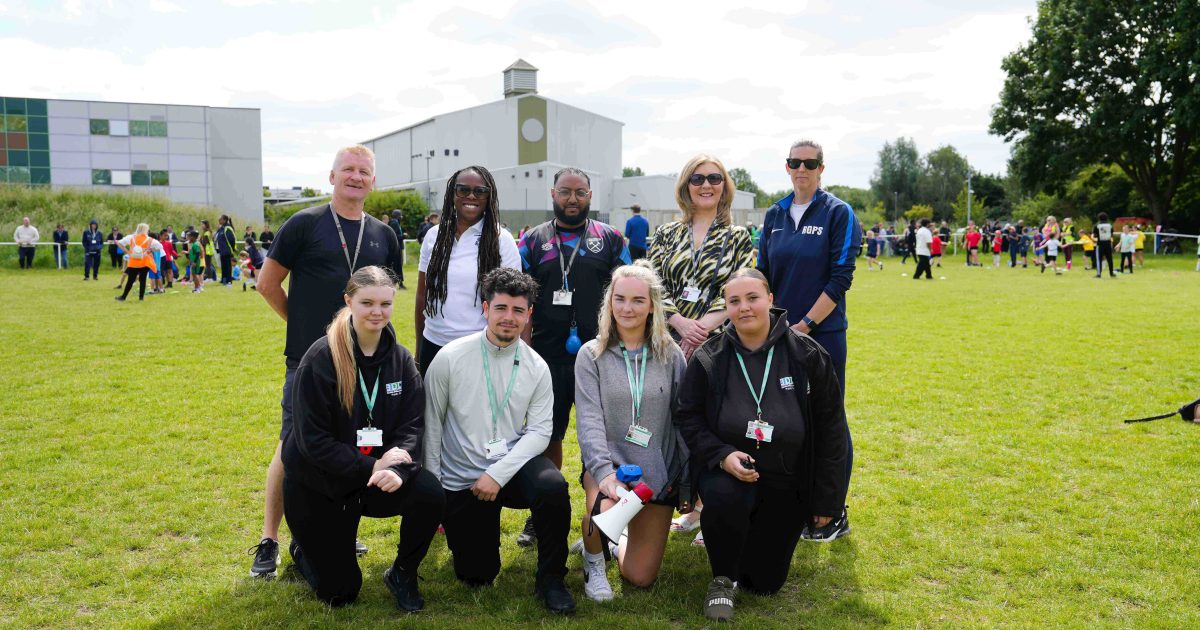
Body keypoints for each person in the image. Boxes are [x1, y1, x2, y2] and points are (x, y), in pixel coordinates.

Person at [249, 144, 404, 578]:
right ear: (332, 177)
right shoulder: (303, 224)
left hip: (364, 364)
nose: (356, 177)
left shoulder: (384, 235)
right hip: (308, 360)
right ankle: (270, 538)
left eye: (364, 171)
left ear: (373, 182)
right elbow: (267, 283)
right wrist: (306, 330)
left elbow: (385, 299)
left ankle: (337, 526)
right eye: (348, 170)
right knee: (293, 444)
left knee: (350, 446)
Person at [676, 269, 849, 622]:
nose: (744, 308)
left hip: (786, 478)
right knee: (726, 498)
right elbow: (687, 416)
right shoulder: (710, 356)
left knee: (764, 583)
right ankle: (722, 580)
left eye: (752, 298)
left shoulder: (808, 355)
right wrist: (721, 455)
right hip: (726, 474)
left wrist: (827, 499)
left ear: (770, 300)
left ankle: (749, 538)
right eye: (734, 301)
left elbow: (832, 430)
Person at [282, 265, 444, 610]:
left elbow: (412, 427)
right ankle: (304, 548)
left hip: (374, 478)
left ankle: (403, 573)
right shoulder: (320, 359)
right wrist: (372, 465)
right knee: (341, 592)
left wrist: (397, 470)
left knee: (429, 491)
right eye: (367, 302)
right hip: (320, 484)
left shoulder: (401, 360)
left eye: (385, 303)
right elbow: (312, 441)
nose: (377, 311)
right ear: (348, 301)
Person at [423, 267, 576, 615]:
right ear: (485, 308)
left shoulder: (537, 367)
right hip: (464, 479)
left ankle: (551, 578)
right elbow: (432, 425)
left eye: (518, 310)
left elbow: (539, 432)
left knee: (552, 485)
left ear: (529, 314)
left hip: (509, 470)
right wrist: (435, 494)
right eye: (501, 308)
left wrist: (498, 474)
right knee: (477, 574)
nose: (509, 318)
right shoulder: (450, 358)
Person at [515, 167, 631, 547]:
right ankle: (542, 513)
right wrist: (525, 348)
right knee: (547, 433)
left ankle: (606, 512)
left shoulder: (611, 239)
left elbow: (627, 293)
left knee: (604, 436)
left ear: (590, 196)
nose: (572, 199)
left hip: (602, 356)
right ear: (552, 193)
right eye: (565, 191)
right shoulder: (532, 241)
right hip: (547, 357)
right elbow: (522, 301)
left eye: (580, 192)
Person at [756, 139, 858, 542]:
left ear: (821, 167)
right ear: (786, 167)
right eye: (794, 162)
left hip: (822, 337)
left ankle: (832, 511)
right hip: (780, 336)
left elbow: (841, 276)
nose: (802, 168)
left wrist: (806, 326)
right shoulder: (775, 213)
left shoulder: (838, 212)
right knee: (788, 420)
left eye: (810, 162)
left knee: (828, 421)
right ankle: (799, 505)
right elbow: (764, 274)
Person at [573, 262, 689, 601]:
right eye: (620, 299)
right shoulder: (591, 355)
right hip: (611, 467)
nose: (627, 308)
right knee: (601, 514)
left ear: (652, 305)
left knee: (638, 577)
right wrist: (604, 474)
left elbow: (682, 419)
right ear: (609, 302)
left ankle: (618, 540)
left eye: (638, 301)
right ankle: (594, 559)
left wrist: (686, 481)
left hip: (657, 473)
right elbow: (590, 422)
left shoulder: (671, 354)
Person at [648, 155, 755, 361]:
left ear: (724, 185)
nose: (706, 185)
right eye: (697, 179)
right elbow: (653, 284)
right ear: (686, 186)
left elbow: (739, 290)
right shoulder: (665, 233)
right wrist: (680, 323)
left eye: (714, 178)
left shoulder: (738, 237)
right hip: (667, 339)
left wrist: (698, 330)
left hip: (719, 343)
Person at [415, 167, 520, 377]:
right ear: (452, 194)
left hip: (480, 348)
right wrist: (419, 350)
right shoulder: (433, 236)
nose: (471, 196)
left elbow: (515, 302)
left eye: (480, 191)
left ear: (489, 197)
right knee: (432, 410)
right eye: (463, 189)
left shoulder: (501, 239)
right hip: (433, 344)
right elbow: (421, 295)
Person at [114, 223, 163, 301]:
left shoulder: (131, 237)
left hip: (133, 262)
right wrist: (151, 250)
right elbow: (160, 246)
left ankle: (123, 297)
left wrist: (127, 252)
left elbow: (119, 242)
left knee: (130, 280)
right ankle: (141, 297)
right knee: (142, 280)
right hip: (144, 262)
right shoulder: (149, 239)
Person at [215, 214, 238, 286]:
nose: (219, 220)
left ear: (224, 220)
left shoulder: (228, 228)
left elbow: (232, 239)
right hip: (222, 251)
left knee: (228, 266)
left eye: (220, 219)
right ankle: (223, 280)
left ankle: (229, 281)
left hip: (227, 251)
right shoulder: (222, 228)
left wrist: (232, 249)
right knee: (223, 266)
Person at [387, 210, 407, 289]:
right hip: (397, 247)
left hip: (398, 247)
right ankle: (399, 284)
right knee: (397, 265)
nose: (401, 217)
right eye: (400, 215)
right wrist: (403, 236)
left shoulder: (395, 222)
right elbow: (395, 236)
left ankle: (399, 283)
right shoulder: (394, 223)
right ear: (398, 216)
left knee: (398, 266)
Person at [1093, 213, 1115, 278]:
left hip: (1100, 243)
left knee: (1099, 259)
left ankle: (1099, 274)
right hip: (1108, 242)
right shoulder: (1110, 225)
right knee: (1110, 259)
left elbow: (1095, 235)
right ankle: (1111, 273)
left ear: (1099, 218)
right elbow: (1111, 233)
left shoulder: (1097, 225)